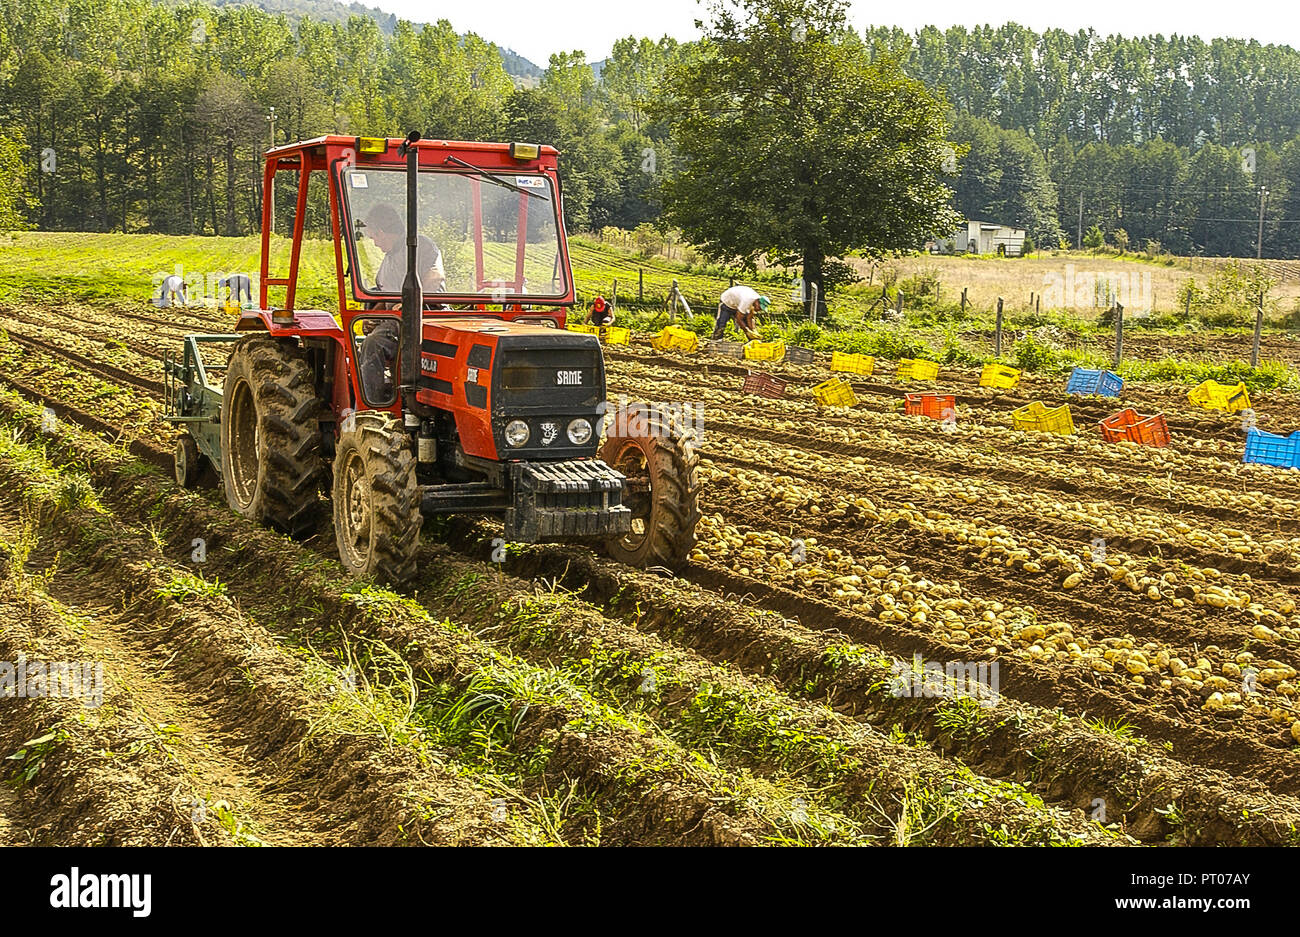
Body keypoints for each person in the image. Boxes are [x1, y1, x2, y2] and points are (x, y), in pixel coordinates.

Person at [357, 204, 445, 402]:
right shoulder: (387, 263)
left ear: (381, 232)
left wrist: (409, 304)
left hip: (427, 314)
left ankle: (375, 405)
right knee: (370, 339)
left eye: (373, 237)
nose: (374, 243)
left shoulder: (420, 246)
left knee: (373, 344)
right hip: (398, 321)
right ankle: (378, 398)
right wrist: (372, 317)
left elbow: (435, 277)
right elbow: (385, 298)